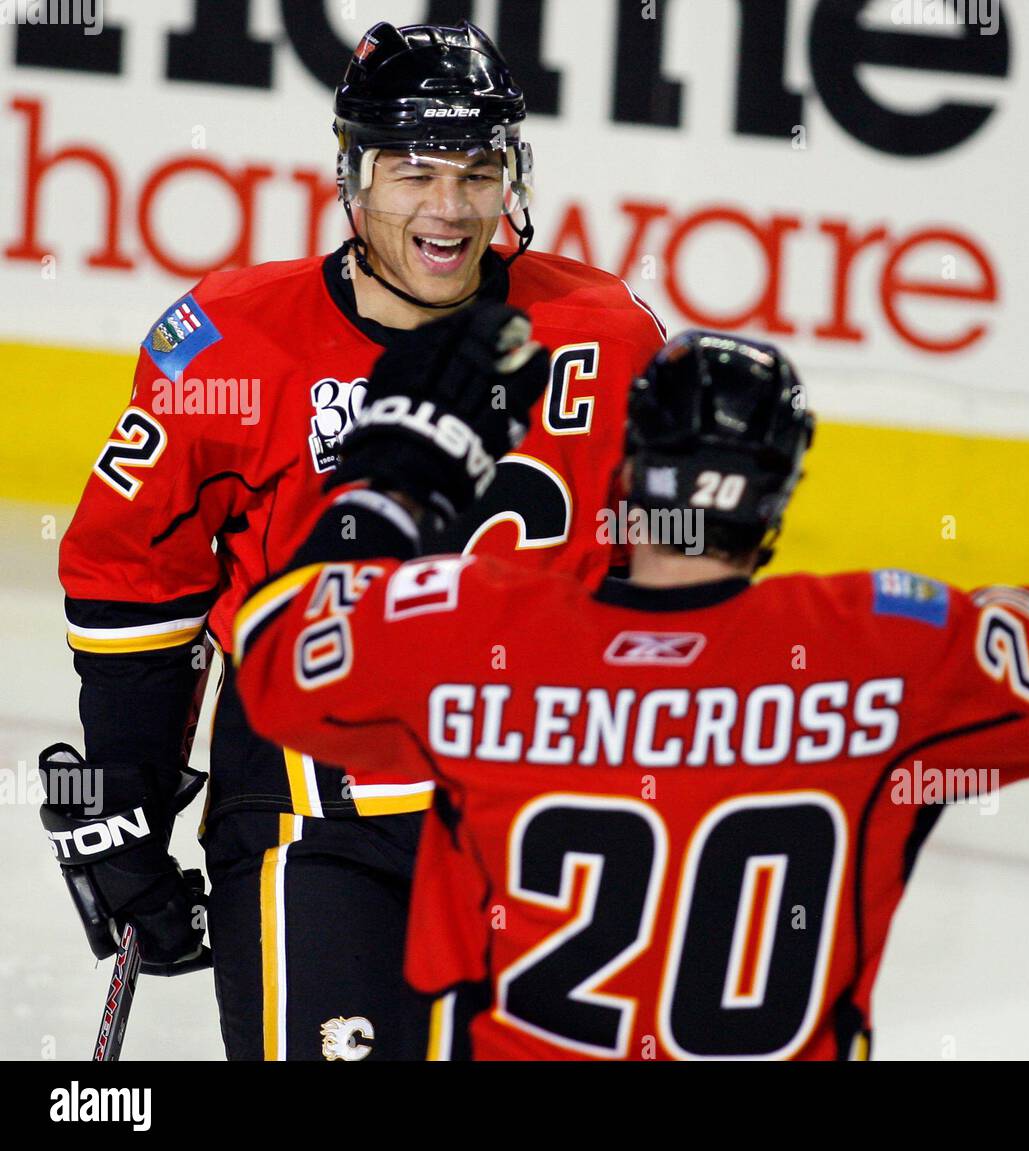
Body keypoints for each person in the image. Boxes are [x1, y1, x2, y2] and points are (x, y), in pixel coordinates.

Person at [232, 278, 1029, 1059]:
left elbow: (279, 651)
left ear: (624, 470)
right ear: (780, 491)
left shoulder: (480, 636)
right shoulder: (884, 649)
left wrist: (397, 477)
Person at [42, 20, 664, 1061]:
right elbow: (135, 582)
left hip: (542, 812)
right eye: (412, 171)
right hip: (311, 810)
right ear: (353, 175)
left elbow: (648, 583)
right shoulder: (232, 340)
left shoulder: (606, 331)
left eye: (477, 170)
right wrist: (122, 810)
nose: (449, 206)